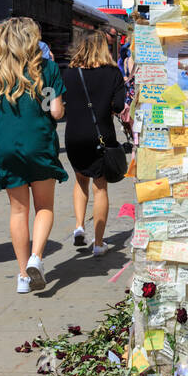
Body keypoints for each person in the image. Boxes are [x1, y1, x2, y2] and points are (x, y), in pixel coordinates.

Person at [0, 17, 67, 294]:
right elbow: (54, 111)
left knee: (18, 210)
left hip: (6, 144)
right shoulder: (47, 69)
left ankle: (22, 276)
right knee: (44, 207)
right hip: (38, 142)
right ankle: (36, 258)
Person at [61, 31, 127, 256]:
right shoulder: (112, 73)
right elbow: (119, 106)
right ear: (103, 48)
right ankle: (98, 244)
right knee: (100, 188)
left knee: (80, 181)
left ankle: (79, 226)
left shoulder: (69, 73)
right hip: (102, 136)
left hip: (73, 136)